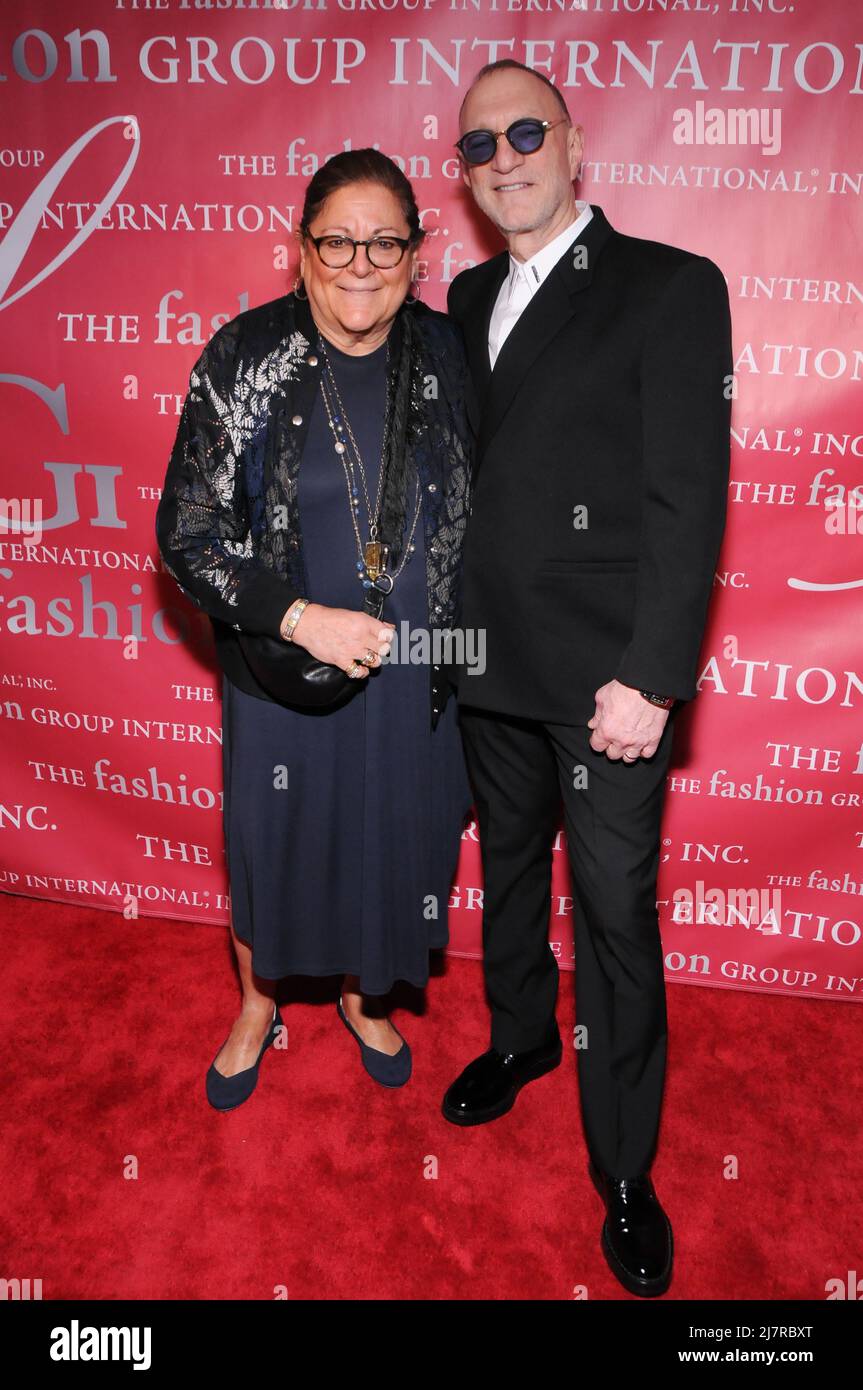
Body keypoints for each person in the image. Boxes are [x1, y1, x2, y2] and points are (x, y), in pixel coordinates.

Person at [442, 60, 732, 1297]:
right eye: (477, 145)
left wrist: (651, 680)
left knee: (612, 914)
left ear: (572, 144)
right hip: (485, 658)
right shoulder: (461, 296)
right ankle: (520, 1037)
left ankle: (623, 1168)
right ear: (462, 173)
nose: (502, 158)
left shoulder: (667, 285)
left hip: (606, 680)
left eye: (524, 132)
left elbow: (686, 496)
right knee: (508, 870)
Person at [156, 149, 473, 1110]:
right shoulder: (246, 355)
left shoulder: (449, 353)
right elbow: (186, 535)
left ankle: (361, 995)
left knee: (395, 838)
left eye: (384, 243)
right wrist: (300, 620)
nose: (360, 264)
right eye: (337, 241)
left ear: (415, 254)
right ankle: (258, 1004)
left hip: (416, 667)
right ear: (301, 250)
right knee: (275, 840)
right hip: (281, 668)